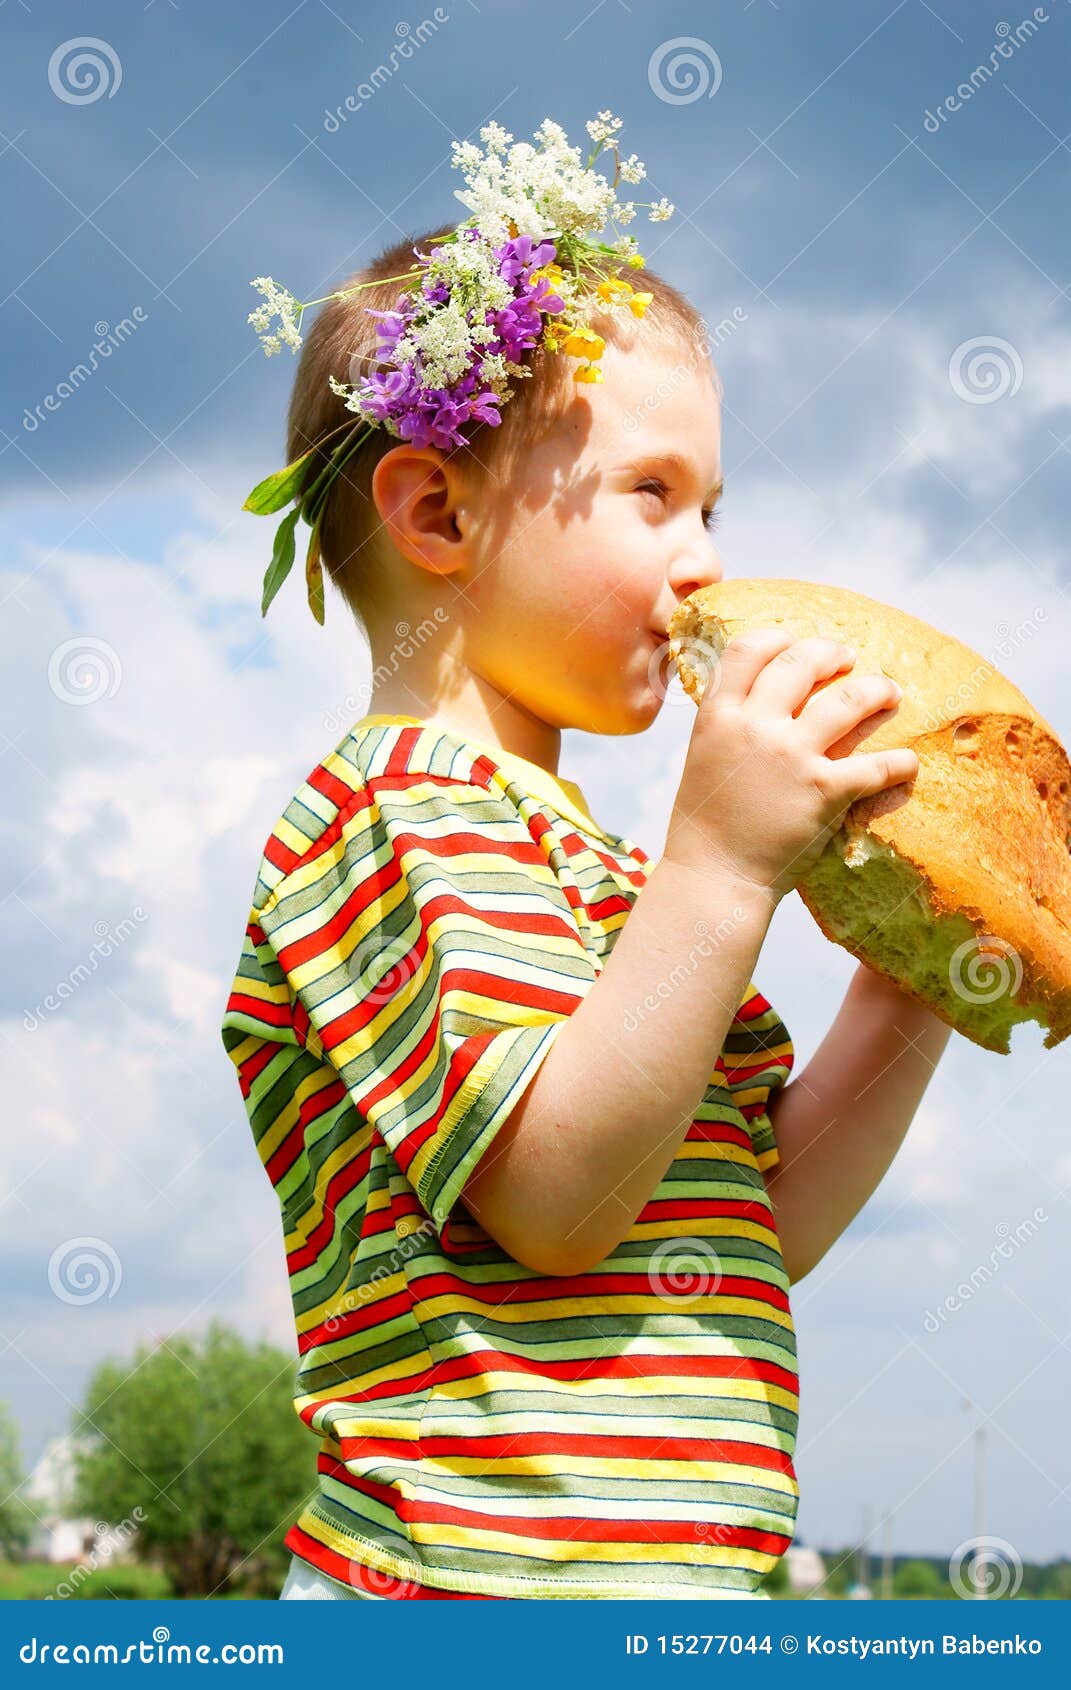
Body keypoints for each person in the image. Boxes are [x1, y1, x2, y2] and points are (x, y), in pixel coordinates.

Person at [221, 114, 952, 1601]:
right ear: (439, 513)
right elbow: (558, 1199)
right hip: (458, 1601)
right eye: (653, 494)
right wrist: (723, 867)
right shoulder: (391, 812)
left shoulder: (614, 873)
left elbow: (753, 1226)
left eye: (714, 507)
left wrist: (911, 989)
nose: (707, 560)